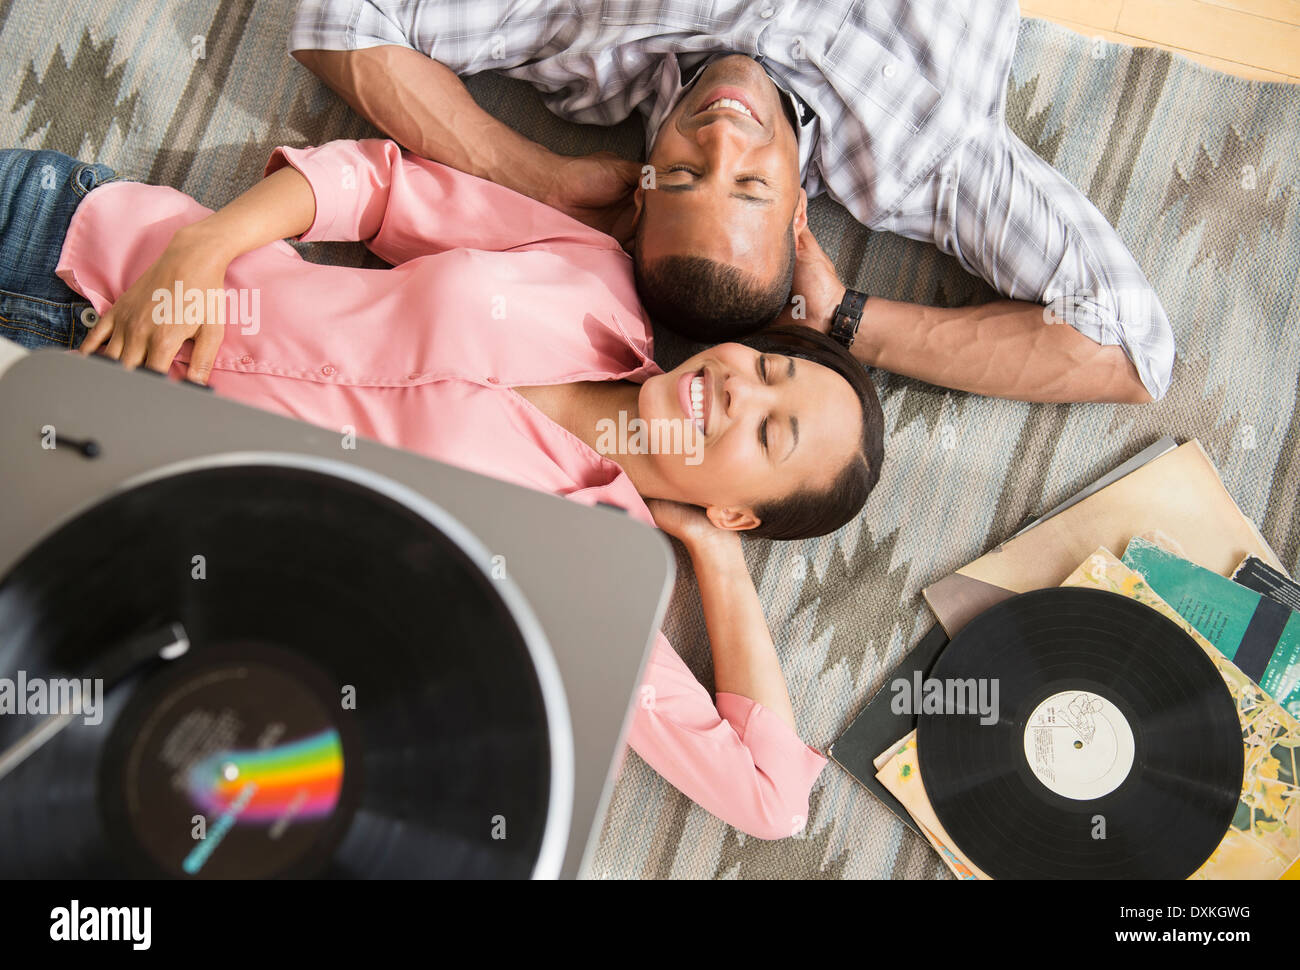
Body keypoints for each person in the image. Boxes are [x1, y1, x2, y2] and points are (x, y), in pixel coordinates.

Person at [0, 143, 884, 839]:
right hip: (72, 243)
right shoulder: (592, 276)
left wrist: (716, 557)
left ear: (741, 509)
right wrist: (209, 243)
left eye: (770, 433)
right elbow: (378, 185)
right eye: (770, 367)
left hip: (63, 468)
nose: (742, 389)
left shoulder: (584, 575)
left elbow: (772, 801)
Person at [290, 0, 1175, 405]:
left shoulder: (588, 44)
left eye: (679, 176)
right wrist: (846, 319)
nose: (722, 136)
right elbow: (1126, 346)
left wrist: (533, 175)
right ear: (799, 209)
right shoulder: (922, 159)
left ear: (637, 180)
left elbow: (338, 15)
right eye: (749, 182)